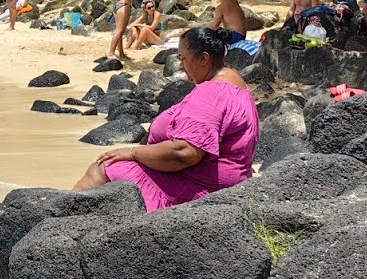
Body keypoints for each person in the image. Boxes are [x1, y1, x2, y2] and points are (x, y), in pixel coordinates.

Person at [72, 26, 259, 211]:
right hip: (222, 181)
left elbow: (184, 153)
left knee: (103, 168)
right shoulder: (236, 84)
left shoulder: (211, 92)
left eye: (183, 58)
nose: (180, 65)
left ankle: (59, 217)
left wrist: (132, 152)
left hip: (200, 187)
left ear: (204, 58)